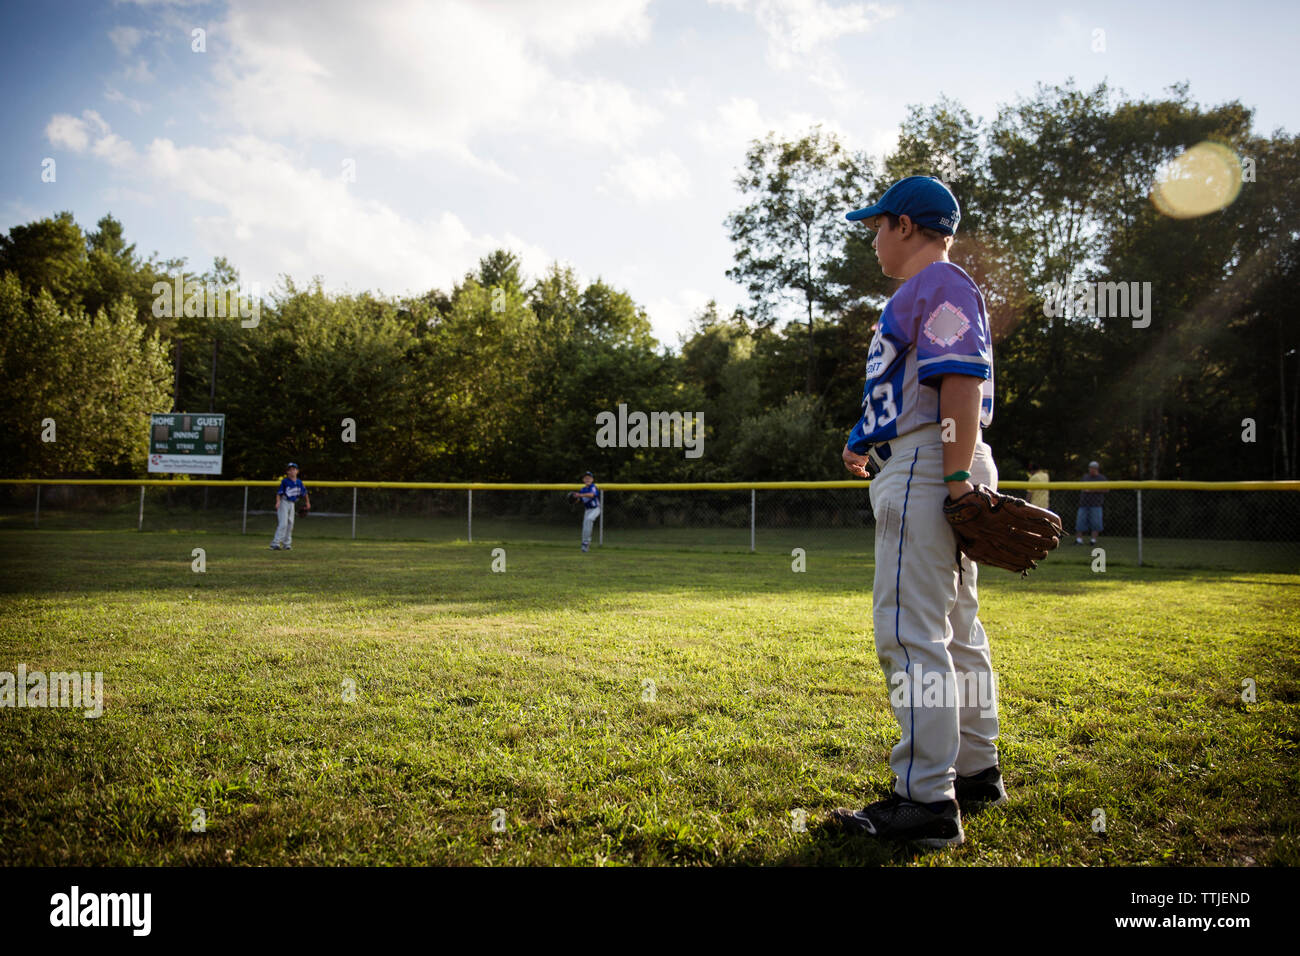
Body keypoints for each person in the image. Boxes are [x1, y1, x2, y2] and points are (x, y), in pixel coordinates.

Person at [834, 175, 1004, 848]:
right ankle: (975, 771)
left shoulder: (938, 282)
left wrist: (957, 479)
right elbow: (914, 386)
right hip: (938, 457)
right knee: (956, 629)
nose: (874, 237)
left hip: (934, 463)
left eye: (878, 224)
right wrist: (863, 438)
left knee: (909, 633)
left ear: (905, 225)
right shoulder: (929, 289)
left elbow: (960, 378)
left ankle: (925, 801)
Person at [270, 462, 309, 551]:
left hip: (292, 503)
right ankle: (275, 543)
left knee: (290, 524)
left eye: (294, 469)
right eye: (290, 470)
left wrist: (308, 503)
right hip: (284, 502)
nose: (292, 471)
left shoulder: (299, 482)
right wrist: (278, 502)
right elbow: (279, 493)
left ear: (297, 471)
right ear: (287, 472)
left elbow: (305, 493)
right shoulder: (285, 481)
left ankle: (286, 544)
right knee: (283, 523)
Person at [1074, 460, 1107, 546]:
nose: (1091, 470)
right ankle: (1079, 540)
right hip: (1083, 504)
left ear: (1097, 469)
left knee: (1096, 523)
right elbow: (1080, 487)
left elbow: (1106, 489)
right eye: (1090, 468)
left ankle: (1093, 540)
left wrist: (1092, 490)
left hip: (1096, 504)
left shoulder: (1101, 478)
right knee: (1080, 522)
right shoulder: (1085, 477)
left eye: (1093, 468)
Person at [572, 471, 601, 553]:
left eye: (589, 477)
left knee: (589, 520)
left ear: (592, 479)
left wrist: (580, 495)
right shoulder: (582, 490)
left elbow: (592, 495)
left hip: (596, 509)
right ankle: (585, 544)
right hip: (588, 510)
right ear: (583, 480)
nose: (587, 479)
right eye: (585, 478)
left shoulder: (593, 487)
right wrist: (574, 499)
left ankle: (587, 541)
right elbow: (579, 500)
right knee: (585, 527)